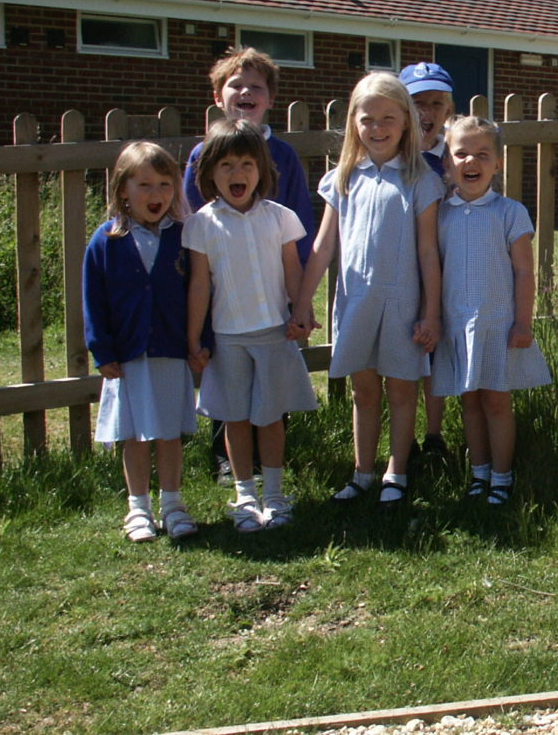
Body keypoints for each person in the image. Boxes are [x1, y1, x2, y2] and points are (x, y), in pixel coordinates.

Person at [292, 72, 443, 510]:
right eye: (367, 119)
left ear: (406, 123)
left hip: (402, 305)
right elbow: (322, 247)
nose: (377, 128)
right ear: (353, 123)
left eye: (388, 118)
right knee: (364, 390)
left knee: (401, 389)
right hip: (355, 302)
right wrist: (303, 301)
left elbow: (429, 253)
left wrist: (431, 314)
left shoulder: (420, 180)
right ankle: (362, 472)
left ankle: (396, 470)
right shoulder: (343, 178)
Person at [184, 48, 316, 485]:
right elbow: (192, 218)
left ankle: (272, 463)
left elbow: (298, 226)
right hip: (225, 290)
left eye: (255, 87)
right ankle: (229, 461)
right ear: (219, 96)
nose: (245, 92)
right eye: (236, 85)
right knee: (230, 379)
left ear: (270, 99)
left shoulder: (283, 156)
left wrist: (299, 299)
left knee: (271, 377)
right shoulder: (203, 154)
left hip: (273, 288)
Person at [83, 141, 201, 542]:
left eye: (165, 185)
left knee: (168, 432)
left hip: (170, 350)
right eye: (145, 185)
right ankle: (138, 508)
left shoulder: (183, 237)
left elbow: (199, 293)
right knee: (133, 434)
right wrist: (103, 350)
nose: (157, 195)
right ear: (122, 190)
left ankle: (173, 505)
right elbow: (93, 300)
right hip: (128, 356)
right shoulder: (106, 241)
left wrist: (198, 341)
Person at [431, 117, 552, 506]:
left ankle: (502, 476)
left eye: (482, 154)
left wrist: (523, 321)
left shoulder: (509, 212)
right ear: (447, 164)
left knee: (497, 401)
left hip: (498, 324)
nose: (472, 161)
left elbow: (523, 270)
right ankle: (478, 473)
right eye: (461, 153)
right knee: (469, 400)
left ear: (497, 163)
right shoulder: (438, 215)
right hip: (457, 325)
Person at [399, 61, 457, 462]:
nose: (427, 113)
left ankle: (434, 435)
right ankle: (402, 437)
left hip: (444, 267)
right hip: (401, 269)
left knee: (435, 351)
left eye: (436, 103)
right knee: (403, 351)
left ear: (447, 111)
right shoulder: (392, 157)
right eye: (418, 102)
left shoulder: (454, 159)